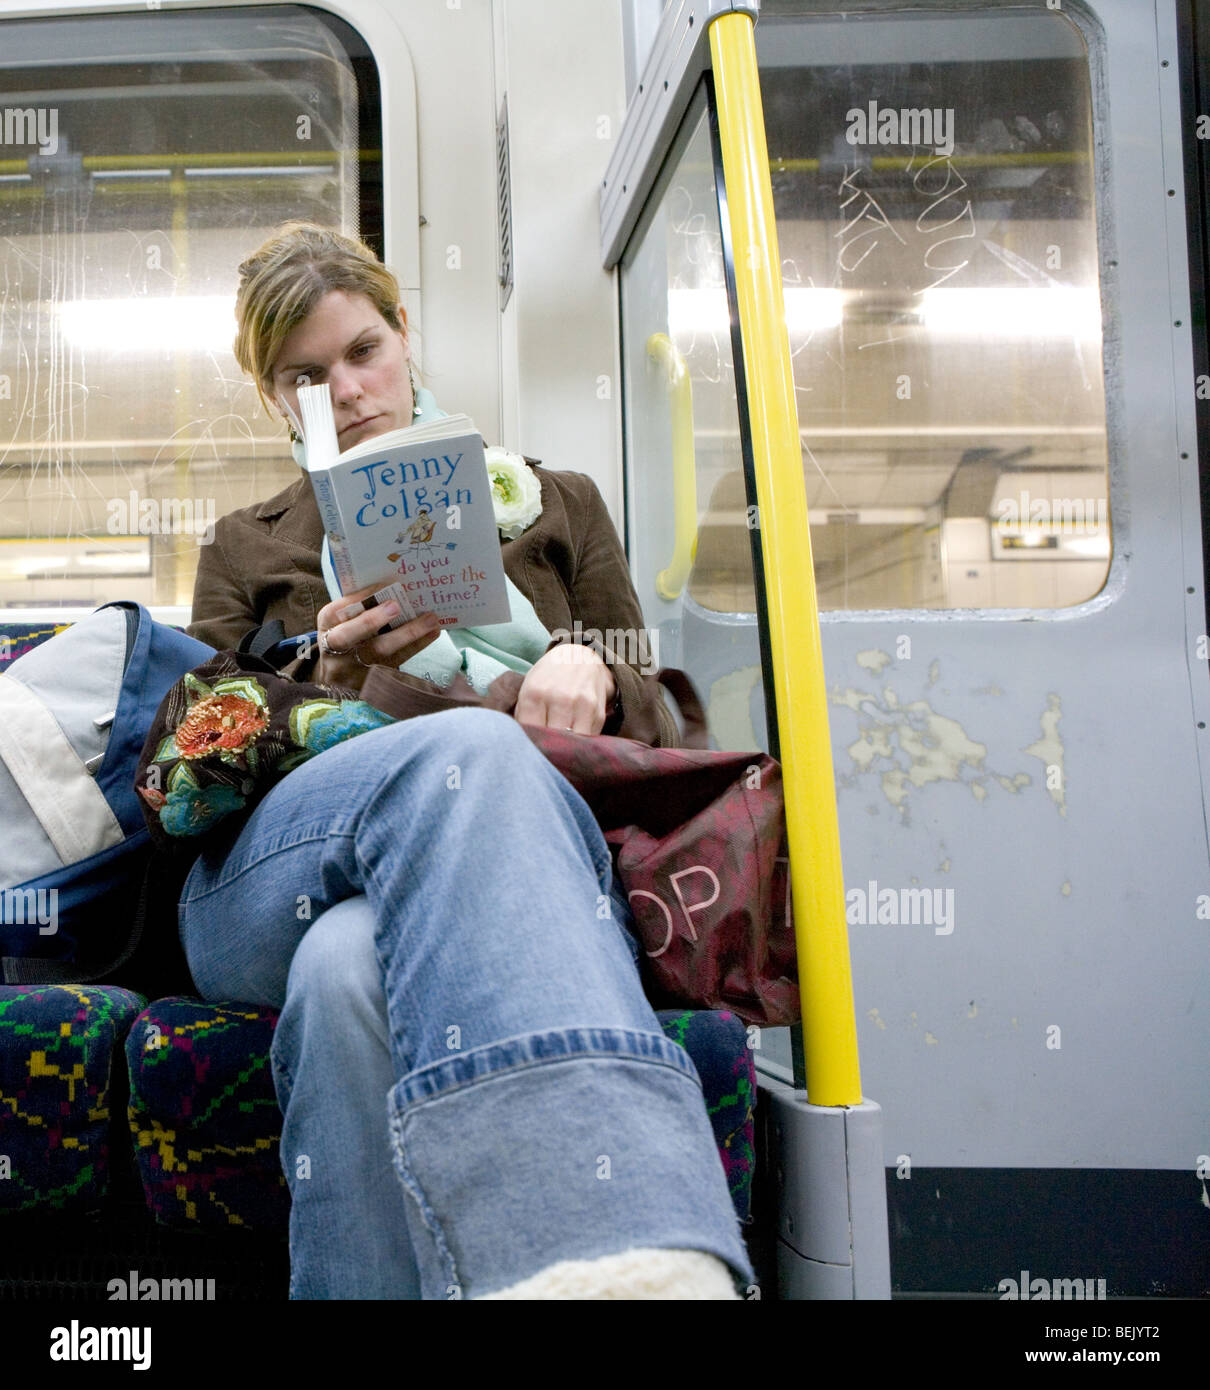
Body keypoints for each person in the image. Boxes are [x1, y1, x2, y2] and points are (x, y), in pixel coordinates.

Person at [180, 222, 754, 1299]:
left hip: (510, 857)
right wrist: (335, 678)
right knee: (466, 749)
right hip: (282, 872)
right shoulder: (244, 545)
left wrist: (588, 664)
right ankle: (617, 1252)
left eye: (361, 352)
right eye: (304, 377)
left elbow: (655, 728)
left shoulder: (558, 502)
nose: (346, 392)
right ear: (274, 400)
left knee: (349, 967)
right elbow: (205, 774)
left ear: (404, 336)